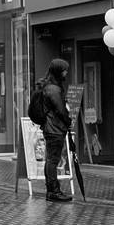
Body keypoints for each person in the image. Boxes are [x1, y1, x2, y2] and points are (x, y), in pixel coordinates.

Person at [40, 59, 72, 203]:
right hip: (54, 128)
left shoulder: (48, 86)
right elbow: (60, 109)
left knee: (51, 160)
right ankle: (53, 191)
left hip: (51, 127)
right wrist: (68, 120)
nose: (66, 72)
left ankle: (51, 190)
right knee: (53, 160)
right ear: (59, 71)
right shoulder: (53, 89)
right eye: (64, 70)